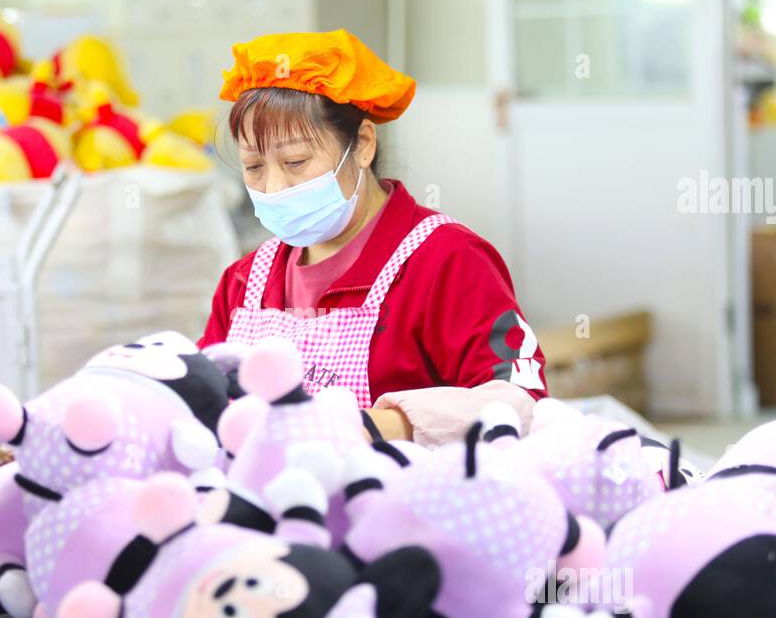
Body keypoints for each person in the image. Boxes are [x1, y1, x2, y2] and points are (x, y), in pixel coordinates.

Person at [199, 29, 546, 446]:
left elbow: (520, 401)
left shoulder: (447, 261)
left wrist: (376, 427)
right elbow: (203, 398)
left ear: (362, 145)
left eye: (295, 161)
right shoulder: (244, 281)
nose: (273, 187)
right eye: (254, 167)